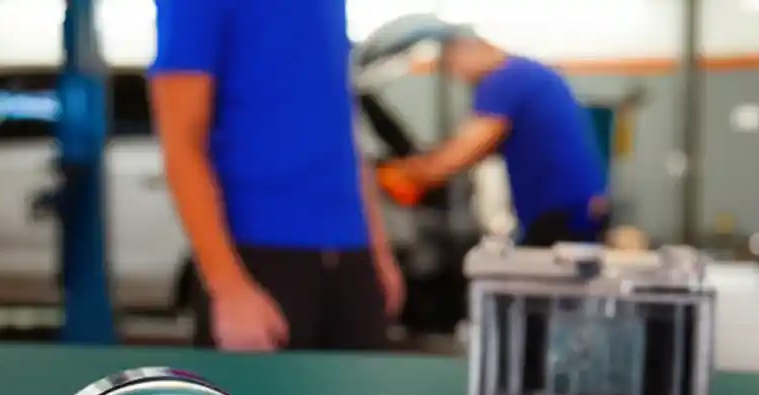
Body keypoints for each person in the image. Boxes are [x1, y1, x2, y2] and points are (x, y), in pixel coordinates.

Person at [148, 0, 405, 353]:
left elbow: (342, 130)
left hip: (351, 260)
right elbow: (181, 145)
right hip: (261, 261)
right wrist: (229, 288)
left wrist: (378, 251)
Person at [388, 28, 609, 247]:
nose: (457, 75)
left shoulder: (504, 80)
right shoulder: (528, 73)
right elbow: (482, 149)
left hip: (561, 212)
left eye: (452, 63)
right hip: (576, 205)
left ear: (467, 48)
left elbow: (461, 153)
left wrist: (401, 173)